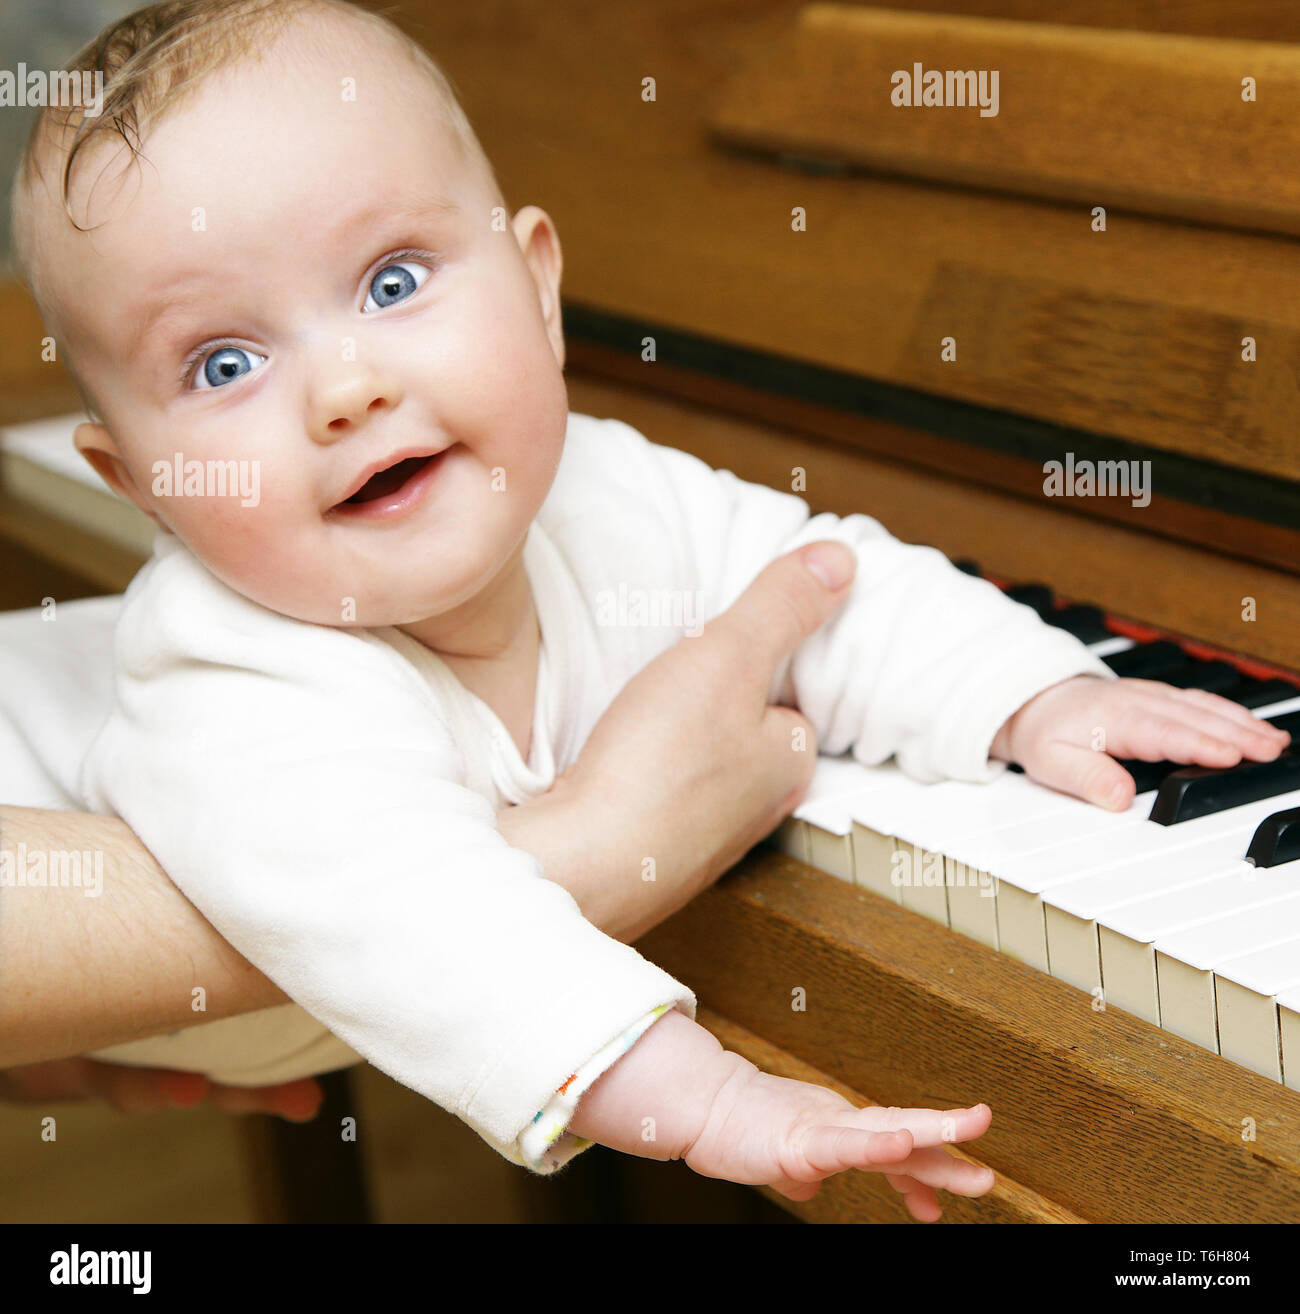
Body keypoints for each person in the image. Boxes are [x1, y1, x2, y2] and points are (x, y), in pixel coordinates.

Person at [6, 0, 1286, 1217]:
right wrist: (709, 1098)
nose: (344, 388)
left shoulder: (605, 488)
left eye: (392, 282)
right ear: (143, 488)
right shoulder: (237, 677)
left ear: (539, 286)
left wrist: (1030, 693)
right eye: (224, 364)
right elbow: (429, 929)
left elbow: (810, 584)